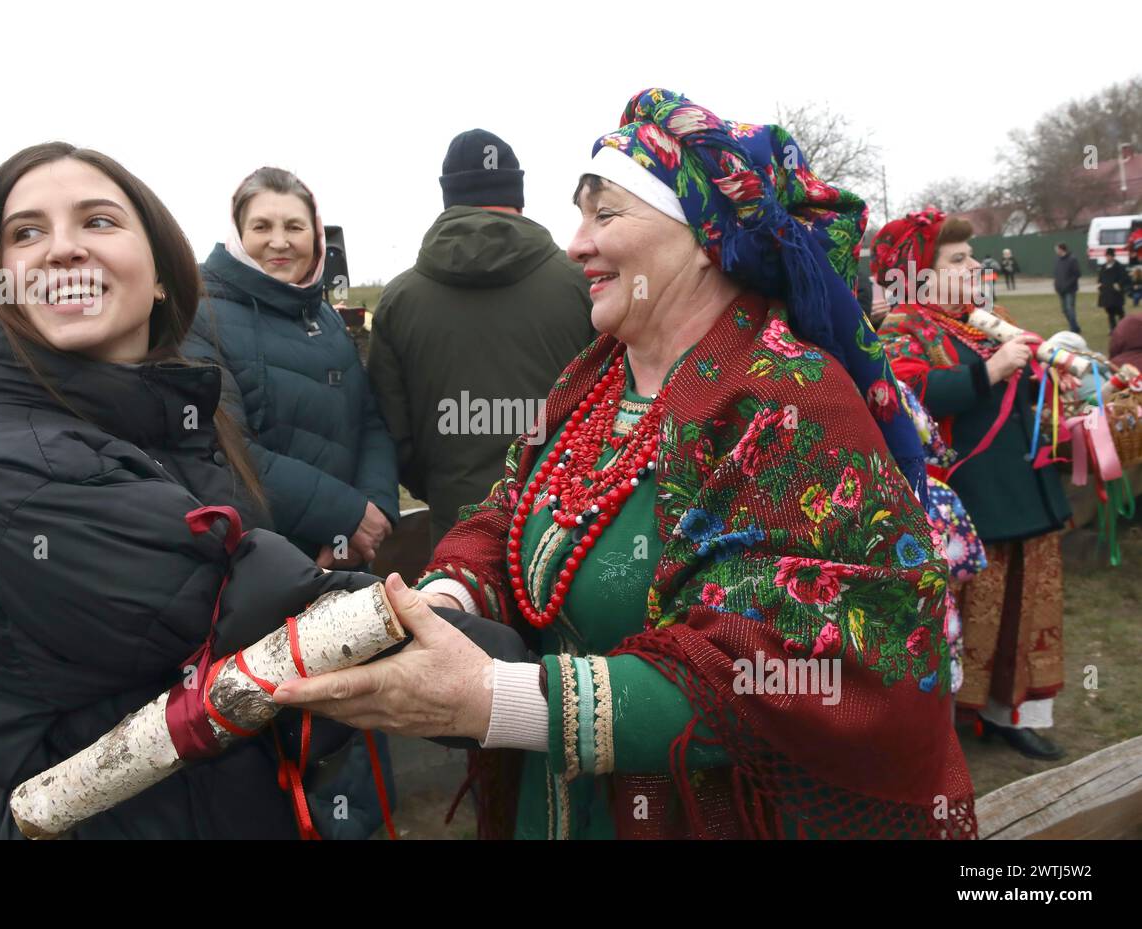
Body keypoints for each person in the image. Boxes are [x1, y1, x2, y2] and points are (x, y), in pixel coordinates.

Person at [271, 88, 975, 840]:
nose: (576, 244)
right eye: (579, 215)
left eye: (605, 213)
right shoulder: (599, 377)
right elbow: (513, 511)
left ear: (706, 234)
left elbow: (782, 671)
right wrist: (445, 602)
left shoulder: (789, 399)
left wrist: (492, 699)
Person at [0, 143, 398, 839]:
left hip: (204, 782)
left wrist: (11, 738)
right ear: (0, 282)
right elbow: (242, 608)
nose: (62, 249)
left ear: (160, 276)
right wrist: (524, 678)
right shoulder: (10, 463)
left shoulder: (151, 403)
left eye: (97, 221)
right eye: (27, 232)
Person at [874, 208, 1071, 761]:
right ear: (918, 272)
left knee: (1025, 604)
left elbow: (1024, 395)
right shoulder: (904, 327)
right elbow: (907, 400)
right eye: (958, 258)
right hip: (973, 501)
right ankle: (954, 714)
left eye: (971, 255)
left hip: (1025, 486)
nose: (974, 265)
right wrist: (987, 373)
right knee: (973, 609)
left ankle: (1011, 710)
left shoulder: (985, 319)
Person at [368, 129, 595, 549]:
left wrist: (443, 489)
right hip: (569, 534)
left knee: (457, 615)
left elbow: (392, 436)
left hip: (456, 538)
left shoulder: (398, 301)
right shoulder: (584, 286)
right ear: (519, 199)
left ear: (448, 202)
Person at [184, 168, 398, 569]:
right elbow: (224, 449)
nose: (279, 241)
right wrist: (347, 516)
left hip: (348, 554)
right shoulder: (201, 316)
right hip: (262, 564)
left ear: (315, 236)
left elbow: (369, 421)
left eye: (294, 227)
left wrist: (375, 511)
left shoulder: (326, 318)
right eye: (261, 226)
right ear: (238, 235)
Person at [1052, 243, 1081, 333]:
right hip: (1061, 290)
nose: (1056, 251)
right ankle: (1075, 327)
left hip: (1070, 290)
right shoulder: (1058, 260)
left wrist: (1068, 285)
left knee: (1070, 308)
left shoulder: (1072, 259)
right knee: (1064, 310)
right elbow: (1057, 274)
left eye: (1057, 249)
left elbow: (1077, 274)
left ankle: (1073, 329)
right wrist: (1056, 285)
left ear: (1061, 249)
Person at [1098, 247, 1129, 332]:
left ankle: (1123, 328)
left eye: (1109, 256)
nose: (1108, 258)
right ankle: (1113, 329)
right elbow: (1100, 277)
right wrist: (1100, 284)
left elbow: (1125, 278)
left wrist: (1119, 284)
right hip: (1106, 293)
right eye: (1107, 256)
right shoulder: (1104, 267)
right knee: (1109, 311)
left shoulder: (1119, 266)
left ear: (1113, 256)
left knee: (1119, 311)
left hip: (1116, 293)